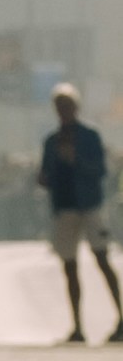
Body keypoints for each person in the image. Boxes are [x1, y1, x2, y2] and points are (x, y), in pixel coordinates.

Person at [34, 82, 121, 343]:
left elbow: (101, 171)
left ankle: (121, 318)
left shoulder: (90, 136)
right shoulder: (51, 141)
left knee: (102, 260)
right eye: (59, 107)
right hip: (65, 207)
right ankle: (77, 326)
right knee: (69, 266)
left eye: (68, 106)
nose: (64, 112)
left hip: (90, 205)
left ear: (76, 107)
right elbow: (45, 174)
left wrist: (76, 161)